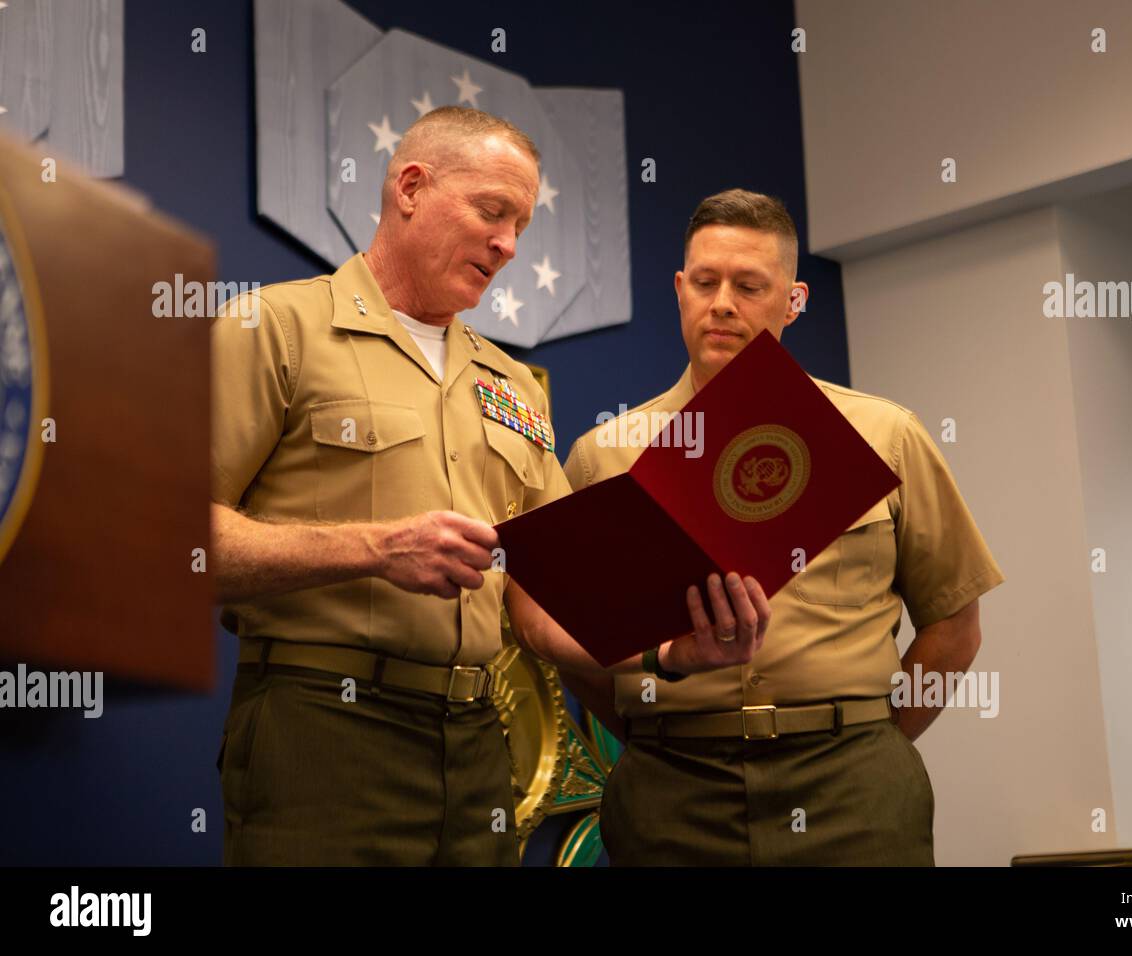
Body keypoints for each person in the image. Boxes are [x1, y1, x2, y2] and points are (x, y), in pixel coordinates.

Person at [210, 108, 768, 866]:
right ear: (410, 187)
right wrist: (375, 548)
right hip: (323, 726)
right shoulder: (275, 327)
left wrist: (667, 653)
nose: (508, 245)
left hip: (477, 741)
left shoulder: (510, 383)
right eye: (492, 212)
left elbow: (543, 601)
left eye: (521, 226)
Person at [562, 189, 1006, 866]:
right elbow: (577, 640)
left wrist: (877, 739)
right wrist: (650, 730)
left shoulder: (881, 436)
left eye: (749, 286)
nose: (722, 304)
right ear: (680, 289)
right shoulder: (608, 455)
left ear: (794, 300)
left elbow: (954, 624)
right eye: (705, 283)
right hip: (671, 787)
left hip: (852, 784)